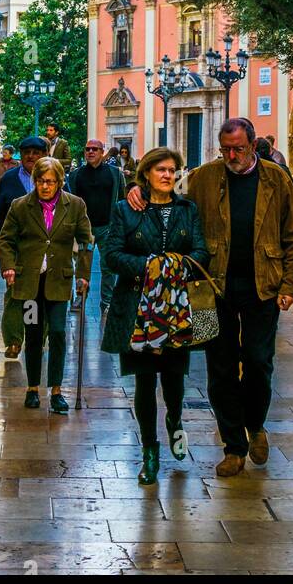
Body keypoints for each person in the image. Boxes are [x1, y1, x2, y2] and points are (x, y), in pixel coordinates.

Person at [126, 116, 293, 478]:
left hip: (263, 286)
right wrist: (139, 192)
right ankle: (233, 446)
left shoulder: (276, 178)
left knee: (258, 361)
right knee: (218, 367)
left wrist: (292, 285)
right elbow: (173, 208)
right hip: (208, 289)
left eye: (238, 149)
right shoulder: (206, 177)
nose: (231, 155)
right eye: (225, 149)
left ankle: (255, 425)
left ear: (253, 146)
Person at [102, 147, 208, 485]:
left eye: (172, 170)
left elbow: (202, 251)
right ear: (146, 173)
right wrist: (148, 267)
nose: (167, 175)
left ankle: (175, 422)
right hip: (137, 308)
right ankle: (150, 450)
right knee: (144, 381)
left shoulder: (187, 210)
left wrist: (177, 265)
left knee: (175, 378)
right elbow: (112, 254)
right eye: (160, 169)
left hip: (177, 309)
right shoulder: (125, 209)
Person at [0, 157, 93, 414]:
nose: (45, 186)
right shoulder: (20, 206)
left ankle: (57, 390)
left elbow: (85, 242)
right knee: (34, 334)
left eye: (50, 181)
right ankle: (32, 388)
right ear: (34, 181)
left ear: (59, 182)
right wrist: (7, 265)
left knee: (59, 333)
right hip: (30, 282)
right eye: (40, 181)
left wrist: (84, 275)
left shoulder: (74, 206)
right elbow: (5, 240)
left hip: (59, 282)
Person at [0, 135, 48, 357]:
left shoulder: (54, 178)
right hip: (15, 247)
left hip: (44, 248)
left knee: (40, 295)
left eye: (36, 152)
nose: (31, 156)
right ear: (21, 155)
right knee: (15, 294)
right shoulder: (10, 179)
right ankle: (14, 340)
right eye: (27, 152)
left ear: (44, 155)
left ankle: (37, 337)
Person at [68, 140, 127, 311]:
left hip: (107, 227)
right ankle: (80, 298)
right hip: (84, 228)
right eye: (87, 149)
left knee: (108, 266)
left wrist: (120, 224)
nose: (91, 152)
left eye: (95, 149)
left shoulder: (115, 174)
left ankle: (107, 302)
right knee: (82, 265)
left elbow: (122, 199)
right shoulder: (76, 175)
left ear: (102, 152)